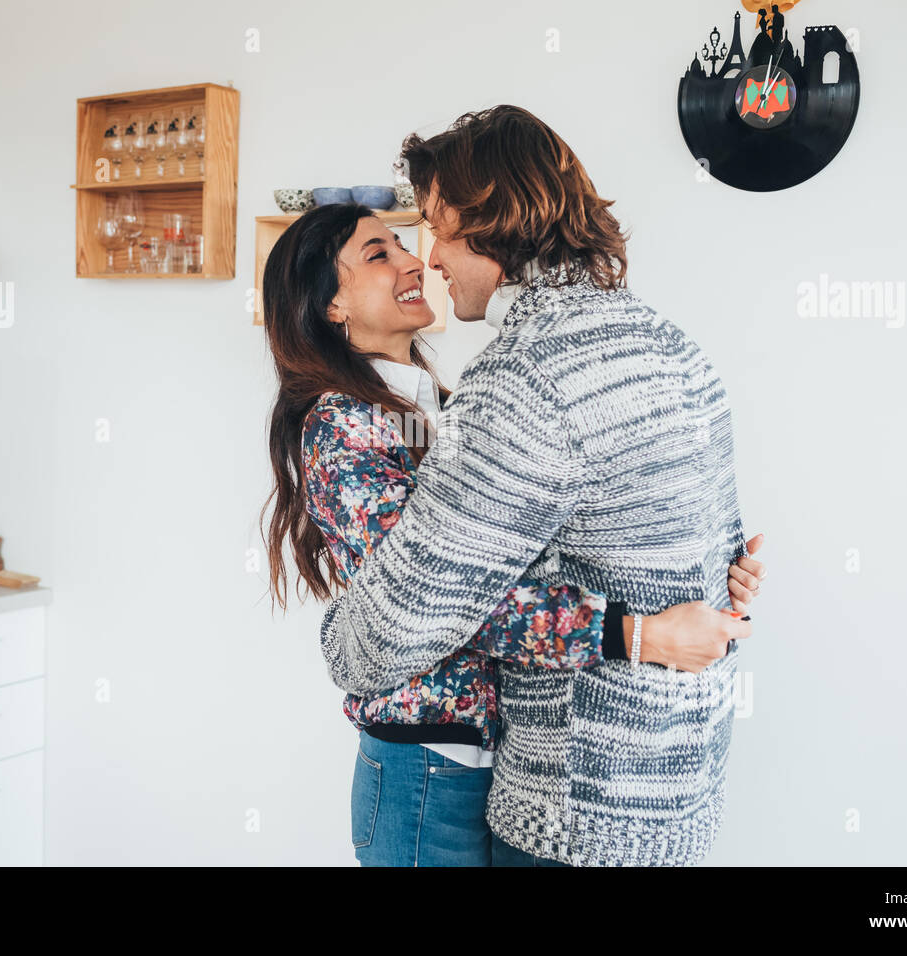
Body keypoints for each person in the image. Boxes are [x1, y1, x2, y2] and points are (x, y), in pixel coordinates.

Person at [316, 105, 760, 867]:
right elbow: (719, 566)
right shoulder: (670, 346)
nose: (431, 257)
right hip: (680, 788)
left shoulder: (522, 377)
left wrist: (337, 637)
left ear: (487, 221)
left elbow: (384, 636)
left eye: (434, 225)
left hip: (576, 805)